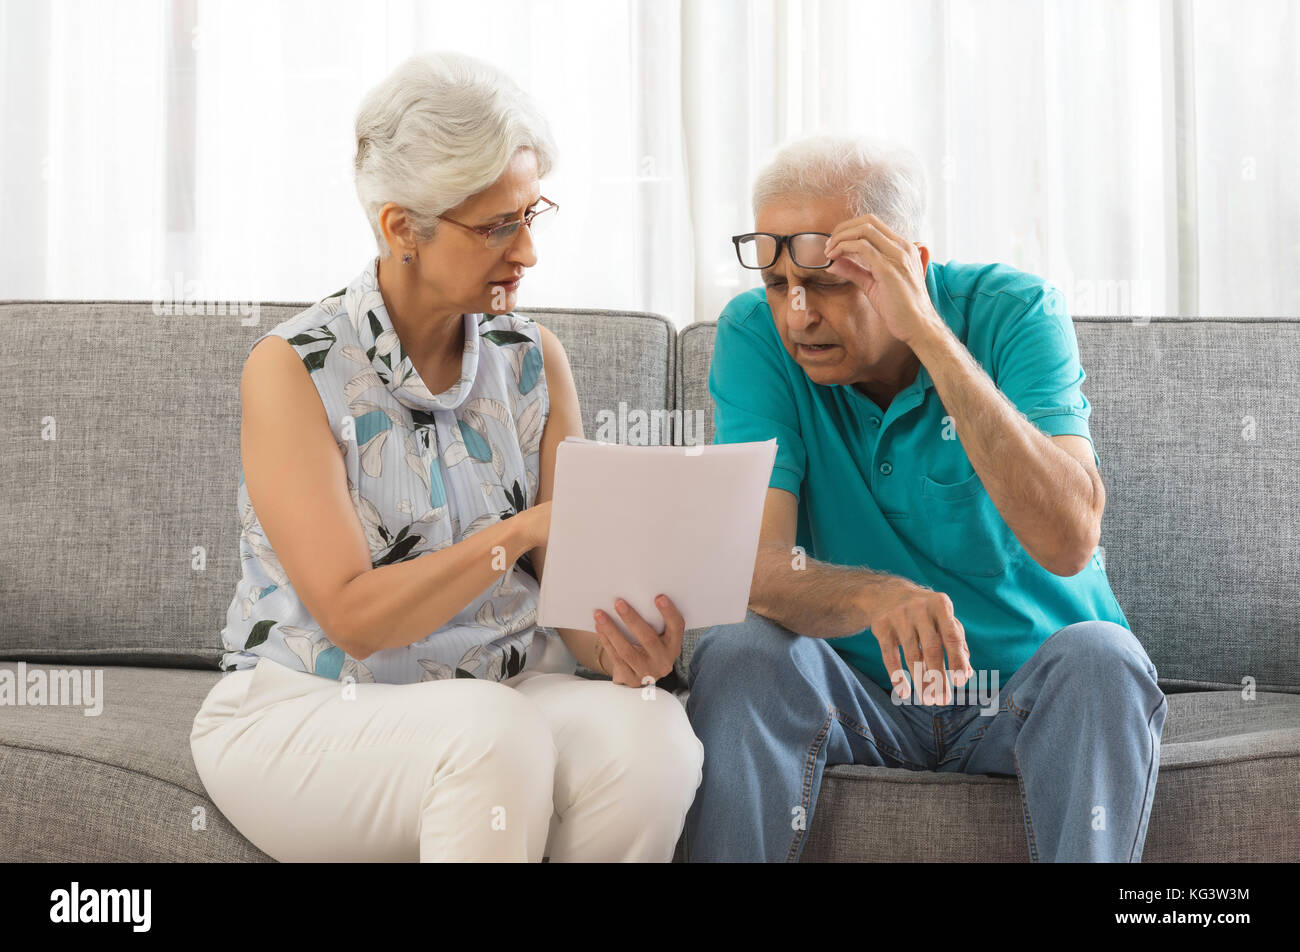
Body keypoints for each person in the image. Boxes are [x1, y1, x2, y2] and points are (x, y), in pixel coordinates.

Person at [190, 50, 703, 863]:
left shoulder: (534, 359)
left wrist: (627, 653)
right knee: (492, 738)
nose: (527, 252)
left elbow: (569, 596)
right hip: (307, 705)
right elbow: (354, 619)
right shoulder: (295, 368)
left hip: (497, 691)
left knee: (653, 740)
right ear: (402, 228)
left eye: (534, 215)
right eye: (499, 225)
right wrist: (528, 527)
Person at [683, 134, 1167, 863]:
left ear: (909, 267)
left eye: (831, 284)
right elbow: (751, 565)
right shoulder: (756, 338)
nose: (798, 315)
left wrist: (931, 338)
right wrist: (875, 599)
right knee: (740, 649)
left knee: (1106, 658)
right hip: (857, 697)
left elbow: (1069, 539)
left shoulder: (1017, 312)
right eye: (779, 285)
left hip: (1027, 692)